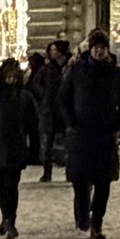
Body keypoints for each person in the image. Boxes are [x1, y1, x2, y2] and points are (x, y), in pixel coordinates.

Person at [59, 30, 120, 239]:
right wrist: (71, 123)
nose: (99, 51)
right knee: (80, 181)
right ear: (90, 49)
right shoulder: (77, 71)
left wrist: (117, 123)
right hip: (81, 135)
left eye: (103, 47)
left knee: (103, 182)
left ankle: (97, 223)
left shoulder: (116, 74)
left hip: (105, 135)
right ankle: (82, 216)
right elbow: (63, 99)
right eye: (96, 47)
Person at [0, 58, 39, 239]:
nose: (11, 80)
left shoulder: (25, 98)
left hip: (16, 148)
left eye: (14, 77)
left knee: (12, 186)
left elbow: (33, 125)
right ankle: (5, 217)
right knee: (1, 187)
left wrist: (35, 150)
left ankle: (10, 220)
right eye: (8, 77)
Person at [31, 39, 69, 182]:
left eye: (54, 50)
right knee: (47, 142)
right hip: (49, 110)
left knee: (68, 143)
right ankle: (47, 172)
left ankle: (69, 170)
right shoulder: (46, 69)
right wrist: (44, 95)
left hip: (64, 110)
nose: (52, 53)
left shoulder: (69, 68)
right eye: (51, 50)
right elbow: (35, 84)